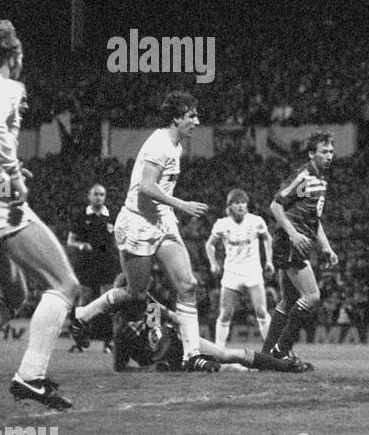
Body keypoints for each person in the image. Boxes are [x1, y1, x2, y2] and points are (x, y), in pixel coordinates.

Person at [0, 20, 81, 414]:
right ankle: (31, 375)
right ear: (12, 56)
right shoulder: (7, 88)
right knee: (65, 285)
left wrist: (3, 172)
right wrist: (11, 178)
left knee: (13, 296)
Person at [69, 91, 217, 371]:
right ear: (176, 118)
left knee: (188, 285)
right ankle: (82, 314)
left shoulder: (176, 146)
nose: (197, 121)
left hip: (161, 220)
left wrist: (171, 210)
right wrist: (181, 204)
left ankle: (192, 355)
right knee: (136, 293)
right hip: (138, 223)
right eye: (191, 116)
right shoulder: (159, 145)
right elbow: (147, 187)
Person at [109, 274, 310, 374]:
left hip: (180, 347)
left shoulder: (148, 309)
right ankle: (282, 365)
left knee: (227, 355)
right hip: (172, 359)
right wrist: (155, 367)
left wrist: (183, 336)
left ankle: (283, 366)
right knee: (227, 361)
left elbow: (178, 320)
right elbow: (121, 367)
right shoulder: (123, 329)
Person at [262, 132, 337, 362]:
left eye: (331, 151)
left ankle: (266, 356)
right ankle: (281, 351)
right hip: (290, 243)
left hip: (298, 242)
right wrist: (294, 235)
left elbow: (314, 220)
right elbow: (275, 206)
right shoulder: (304, 176)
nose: (329, 156)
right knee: (312, 296)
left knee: (290, 301)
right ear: (311, 153)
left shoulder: (321, 180)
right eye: (324, 152)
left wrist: (327, 247)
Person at [206, 189, 273, 348]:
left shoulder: (256, 221)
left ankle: (272, 350)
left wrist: (269, 260)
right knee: (225, 314)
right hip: (232, 272)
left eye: (243, 203)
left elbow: (267, 238)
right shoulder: (222, 224)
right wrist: (213, 263)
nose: (241, 206)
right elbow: (210, 245)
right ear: (230, 206)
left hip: (253, 271)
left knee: (262, 311)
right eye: (237, 203)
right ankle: (218, 351)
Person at [66, 182, 118, 351]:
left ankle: (108, 342)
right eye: (96, 194)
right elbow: (70, 240)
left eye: (102, 194)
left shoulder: (111, 216)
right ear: (89, 196)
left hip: (107, 264)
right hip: (87, 264)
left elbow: (117, 239)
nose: (99, 197)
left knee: (107, 302)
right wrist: (82, 246)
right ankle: (79, 340)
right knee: (84, 301)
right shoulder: (82, 216)